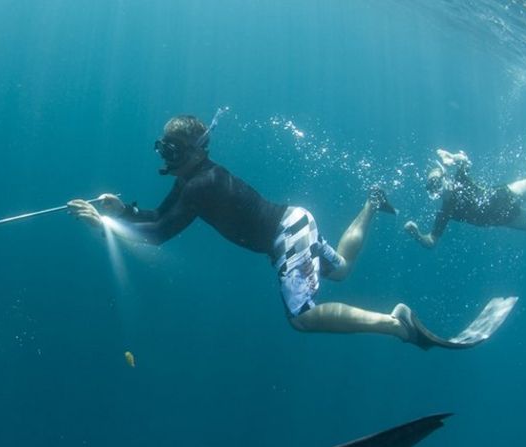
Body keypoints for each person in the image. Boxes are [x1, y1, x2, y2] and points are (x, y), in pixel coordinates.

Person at [68, 114, 448, 349]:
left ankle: (398, 327)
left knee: (301, 316)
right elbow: (158, 216)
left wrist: (103, 226)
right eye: (163, 149)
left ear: (197, 151)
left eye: (174, 151)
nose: (168, 158)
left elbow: (158, 235)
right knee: (343, 268)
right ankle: (372, 202)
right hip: (296, 221)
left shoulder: (201, 184)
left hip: (287, 238)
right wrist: (124, 211)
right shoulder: (191, 179)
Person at [403, 138, 526, 248]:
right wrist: (417, 235)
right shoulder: (444, 212)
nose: (438, 188)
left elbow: (465, 161)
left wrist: (453, 158)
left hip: (505, 195)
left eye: (438, 182)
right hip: (505, 218)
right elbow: (432, 242)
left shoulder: (458, 179)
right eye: (432, 187)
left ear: (445, 177)